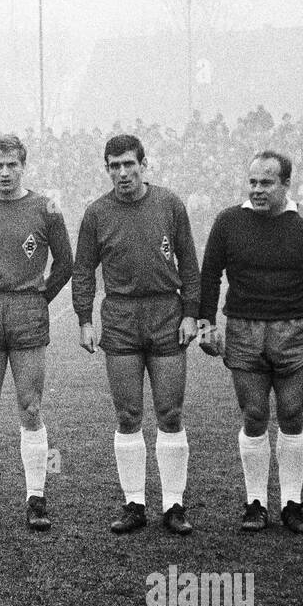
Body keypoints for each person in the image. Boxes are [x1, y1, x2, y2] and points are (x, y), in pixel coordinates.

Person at [197, 150, 303, 534]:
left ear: (285, 185)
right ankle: (256, 502)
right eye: (253, 182)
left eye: (266, 183)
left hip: (294, 330)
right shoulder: (229, 220)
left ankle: (293, 503)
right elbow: (210, 274)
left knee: (293, 414)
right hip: (244, 330)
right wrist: (205, 324)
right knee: (254, 415)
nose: (257, 190)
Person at [73, 134, 200, 535]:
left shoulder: (170, 204)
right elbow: (83, 271)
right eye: (114, 166)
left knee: (170, 412)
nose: (122, 173)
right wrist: (84, 319)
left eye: (129, 164)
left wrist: (191, 314)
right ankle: (134, 504)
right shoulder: (96, 213)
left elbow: (191, 266)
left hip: (166, 311)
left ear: (144, 164)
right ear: (107, 169)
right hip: (121, 317)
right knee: (128, 414)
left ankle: (174, 505)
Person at [0, 133, 73, 531]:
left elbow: (65, 263)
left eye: (12, 165)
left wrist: (40, 296)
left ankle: (36, 499)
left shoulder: (46, 207)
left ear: (23, 166)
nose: (5, 172)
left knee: (31, 407)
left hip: (28, 310)